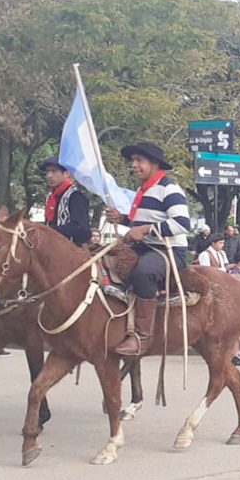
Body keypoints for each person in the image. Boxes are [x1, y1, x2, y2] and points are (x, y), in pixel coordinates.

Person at [103, 141, 190, 356]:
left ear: (154, 163)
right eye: (133, 161)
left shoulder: (169, 189)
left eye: (138, 161)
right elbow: (137, 224)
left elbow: (182, 224)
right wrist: (122, 219)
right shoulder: (143, 191)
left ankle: (142, 336)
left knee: (143, 272)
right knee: (101, 261)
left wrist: (146, 229)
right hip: (143, 247)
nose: (134, 165)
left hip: (168, 252)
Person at [39, 157, 90, 246]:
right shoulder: (51, 197)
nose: (49, 176)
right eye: (47, 172)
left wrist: (50, 230)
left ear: (67, 173)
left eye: (54, 171)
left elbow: (81, 228)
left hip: (73, 250)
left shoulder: (75, 196)